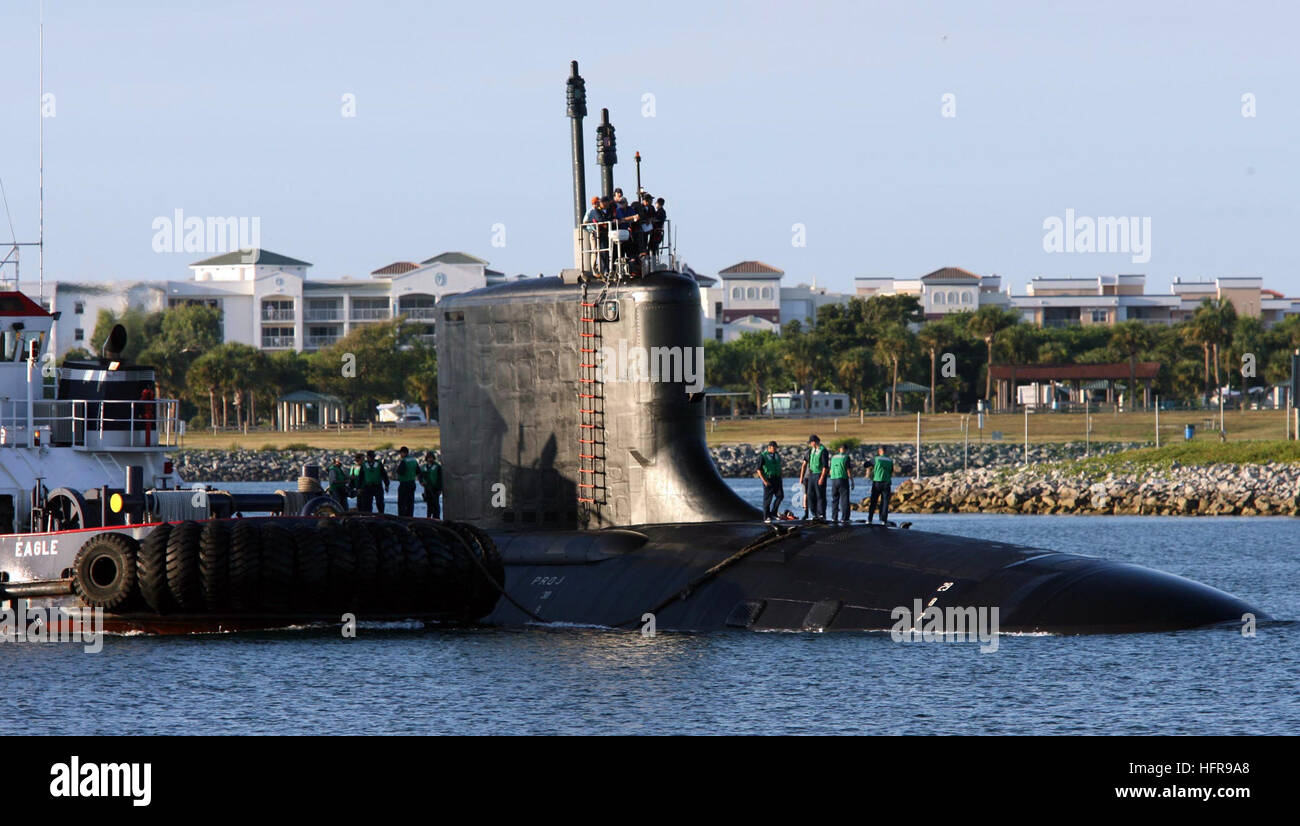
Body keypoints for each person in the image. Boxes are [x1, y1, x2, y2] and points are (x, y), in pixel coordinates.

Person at [799, 435, 830, 521]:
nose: (811, 444)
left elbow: (825, 467)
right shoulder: (811, 451)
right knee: (810, 495)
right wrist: (801, 477)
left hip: (819, 474)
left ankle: (821, 514)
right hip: (811, 475)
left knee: (820, 495)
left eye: (811, 442)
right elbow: (805, 464)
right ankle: (814, 513)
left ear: (815, 442)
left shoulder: (823, 451)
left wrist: (822, 478)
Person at [754, 440, 784, 523]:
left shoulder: (777, 455)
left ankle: (773, 513)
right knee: (768, 499)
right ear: (769, 448)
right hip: (768, 479)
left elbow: (779, 465)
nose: (775, 449)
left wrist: (781, 476)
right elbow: (758, 470)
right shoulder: (763, 456)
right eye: (773, 448)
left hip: (777, 478)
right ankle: (766, 516)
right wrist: (764, 481)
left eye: (776, 448)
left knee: (780, 496)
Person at [867, 446, 894, 525]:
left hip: (877, 482)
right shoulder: (890, 460)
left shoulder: (876, 459)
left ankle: (870, 519)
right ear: (886, 451)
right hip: (886, 483)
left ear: (879, 451)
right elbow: (891, 471)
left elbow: (866, 464)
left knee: (873, 501)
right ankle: (883, 520)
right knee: (885, 502)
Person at [828, 444, 855, 524]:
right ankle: (844, 518)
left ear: (839, 449)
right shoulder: (846, 457)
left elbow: (830, 470)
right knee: (844, 499)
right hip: (842, 479)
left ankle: (834, 518)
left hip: (834, 480)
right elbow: (848, 470)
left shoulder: (833, 457)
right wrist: (852, 481)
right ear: (845, 450)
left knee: (834, 499)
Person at [393, 446, 420, 517]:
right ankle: (410, 516)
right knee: (410, 502)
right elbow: (418, 471)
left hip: (404, 484)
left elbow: (400, 471)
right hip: (412, 483)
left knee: (402, 503)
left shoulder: (404, 461)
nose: (400, 455)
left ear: (403, 453)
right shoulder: (414, 460)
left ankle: (402, 517)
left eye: (401, 453)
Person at [420, 451, 443, 518]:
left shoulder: (437, 467)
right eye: (429, 458)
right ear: (426, 459)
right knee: (429, 505)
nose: (430, 459)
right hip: (427, 488)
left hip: (435, 489)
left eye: (431, 458)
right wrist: (421, 482)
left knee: (436, 505)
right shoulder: (424, 467)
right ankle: (428, 517)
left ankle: (436, 518)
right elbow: (420, 476)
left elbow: (440, 478)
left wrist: (440, 489)